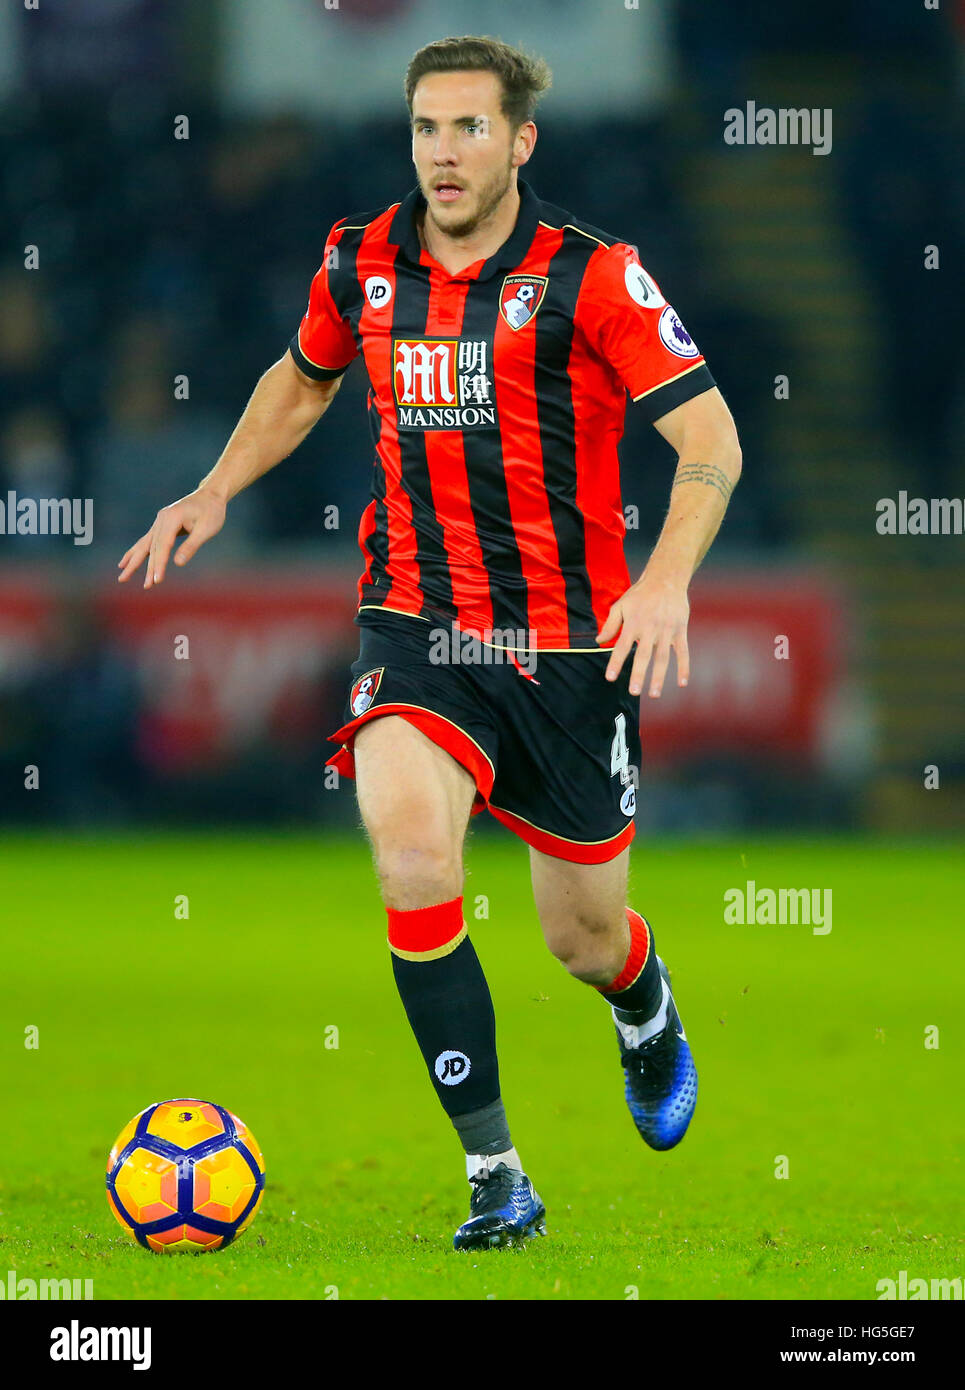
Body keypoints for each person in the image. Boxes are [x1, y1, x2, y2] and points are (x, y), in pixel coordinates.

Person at [118, 35, 742, 1252]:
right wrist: (214, 487)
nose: (441, 154)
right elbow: (302, 380)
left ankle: (640, 997)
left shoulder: (593, 278)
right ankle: (495, 1171)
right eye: (422, 128)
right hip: (415, 619)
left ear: (520, 141)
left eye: (466, 129)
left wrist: (664, 581)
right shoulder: (362, 259)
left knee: (581, 934)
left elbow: (711, 439)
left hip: (568, 647)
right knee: (410, 855)